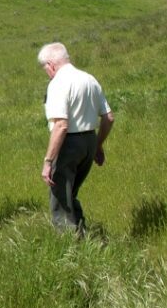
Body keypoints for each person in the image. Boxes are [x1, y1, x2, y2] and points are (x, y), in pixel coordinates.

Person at [37, 42, 115, 236]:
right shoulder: (89, 79)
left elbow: (61, 125)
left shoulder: (58, 84)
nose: (46, 72)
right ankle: (82, 233)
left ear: (51, 64)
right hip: (89, 140)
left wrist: (48, 161)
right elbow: (108, 117)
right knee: (70, 193)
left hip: (68, 143)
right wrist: (98, 144)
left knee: (60, 198)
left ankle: (70, 247)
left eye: (44, 68)